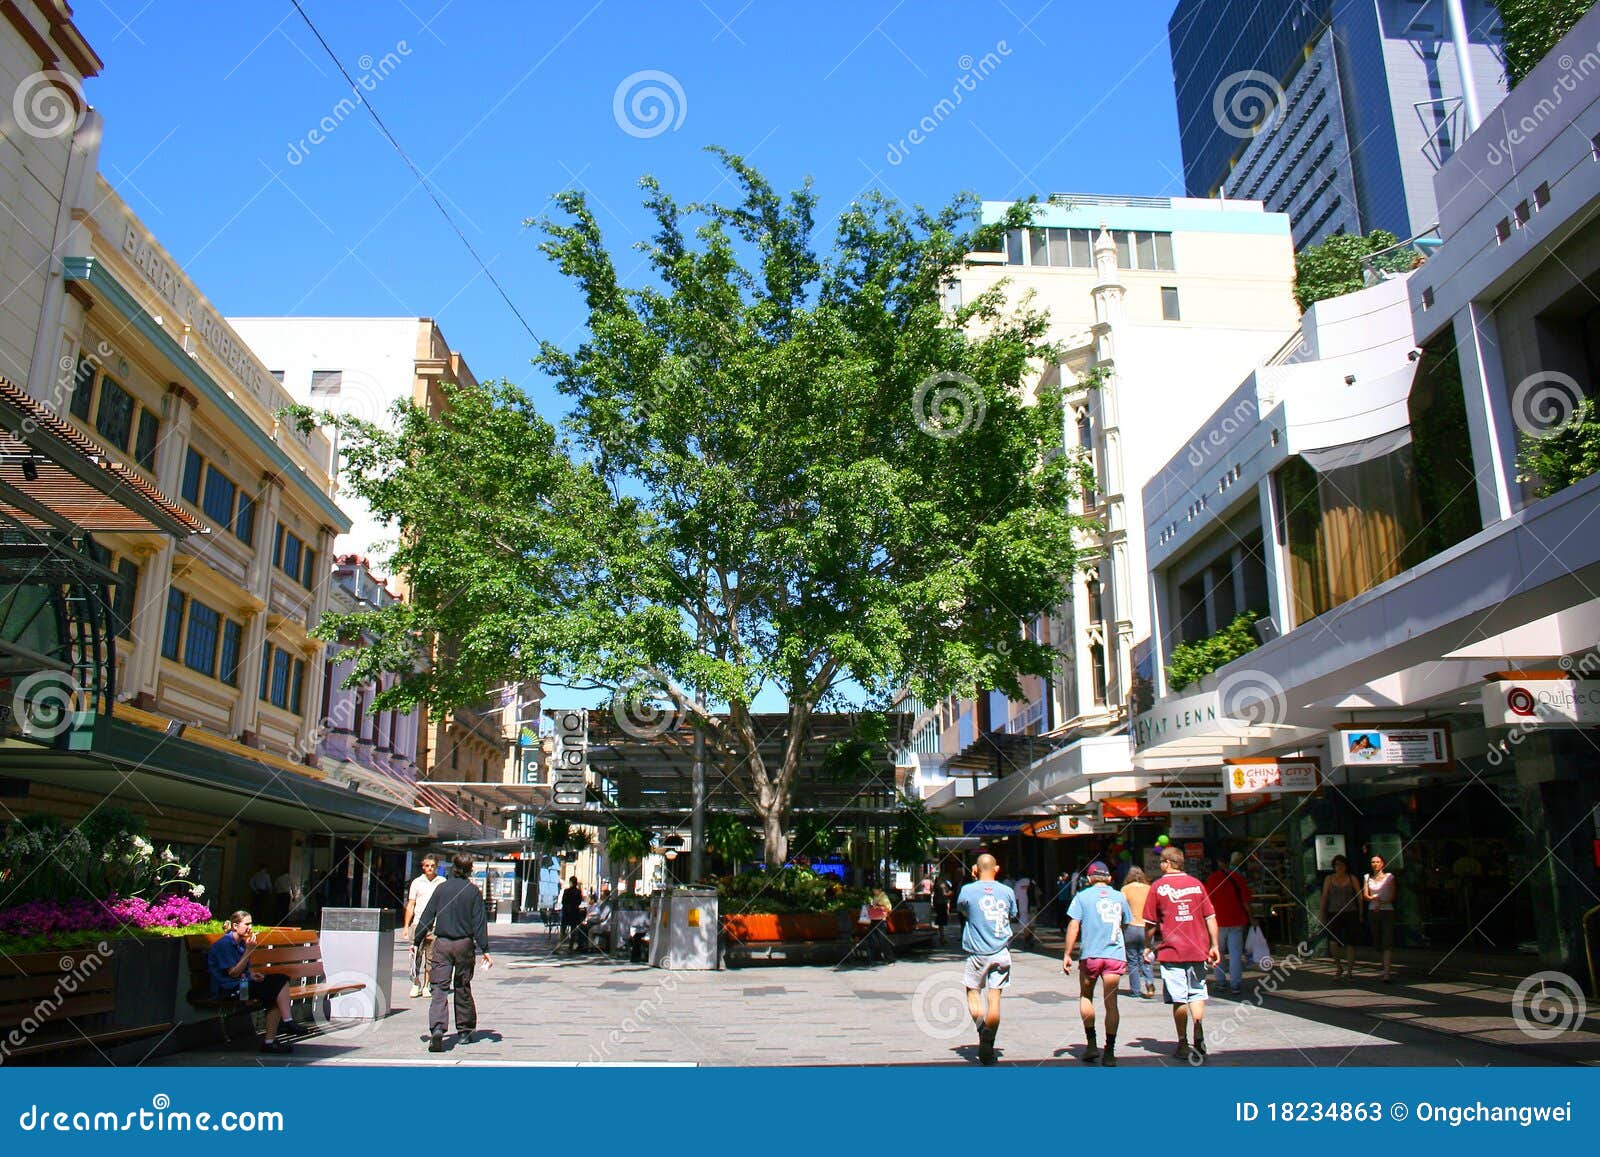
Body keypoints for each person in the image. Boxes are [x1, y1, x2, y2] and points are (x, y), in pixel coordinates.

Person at [1143, 846, 1220, 1062]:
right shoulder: (1197, 885)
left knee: (1179, 999)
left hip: (1172, 952)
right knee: (1197, 993)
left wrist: (1147, 945)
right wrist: (1214, 945)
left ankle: (1183, 1041)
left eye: (1161, 862)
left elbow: (1150, 923)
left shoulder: (1158, 887)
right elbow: (1210, 917)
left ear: (1167, 863)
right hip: (1198, 950)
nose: (1160, 866)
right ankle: (1198, 1028)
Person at [411, 852, 493, 1051]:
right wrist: (485, 949)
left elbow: (427, 915)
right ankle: (464, 1031)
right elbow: (479, 923)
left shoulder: (441, 888)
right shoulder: (473, 891)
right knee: (462, 986)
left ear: (453, 868)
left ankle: (438, 1028)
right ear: (469, 870)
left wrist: (417, 940)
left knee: (439, 988)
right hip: (464, 944)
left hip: (443, 943)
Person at [1062, 861, 1132, 1066]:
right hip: (1114, 955)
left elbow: (1073, 926)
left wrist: (1067, 953)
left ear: (1090, 879)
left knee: (1086, 996)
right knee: (1112, 1004)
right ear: (1109, 878)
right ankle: (1109, 1051)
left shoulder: (1082, 897)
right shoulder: (1119, 896)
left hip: (1090, 955)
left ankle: (1091, 1044)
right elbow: (1126, 922)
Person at [207, 910, 305, 1054]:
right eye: (246, 924)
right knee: (277, 986)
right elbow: (233, 973)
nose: (250, 927)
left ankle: (272, 1040)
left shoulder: (240, 944)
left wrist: (253, 975)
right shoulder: (224, 945)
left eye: (251, 924)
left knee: (279, 982)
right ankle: (286, 1023)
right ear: (235, 926)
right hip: (229, 991)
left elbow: (243, 971)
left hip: (243, 985)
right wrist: (249, 951)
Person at [956, 854, 1017, 1066]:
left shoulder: (967, 891)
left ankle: (983, 1031)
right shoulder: (1008, 891)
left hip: (977, 953)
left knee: (972, 991)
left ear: (975, 869)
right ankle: (989, 1042)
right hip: (1002, 951)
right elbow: (1012, 914)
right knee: (995, 998)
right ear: (997, 869)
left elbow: (963, 910)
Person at [1205, 850, 1253, 995]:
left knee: (1218, 952)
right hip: (1236, 921)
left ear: (1219, 863)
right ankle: (1235, 983)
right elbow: (1245, 900)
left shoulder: (1212, 879)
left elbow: (1206, 902)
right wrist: (1251, 917)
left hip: (1218, 922)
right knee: (1236, 953)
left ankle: (1220, 982)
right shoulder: (1238, 878)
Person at [404, 854, 444, 998]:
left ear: (436, 867)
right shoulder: (416, 882)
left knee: (431, 958)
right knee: (415, 956)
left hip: (435, 925)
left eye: (433, 866)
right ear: (423, 867)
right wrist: (406, 926)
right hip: (418, 924)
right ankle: (415, 983)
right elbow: (411, 904)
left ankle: (427, 985)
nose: (430, 868)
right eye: (427, 866)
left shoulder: (442, 882)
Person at [1319, 854, 1362, 979]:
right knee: (1333, 942)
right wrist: (1322, 913)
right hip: (1334, 912)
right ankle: (1338, 967)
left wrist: (1360, 913)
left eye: (1342, 865)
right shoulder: (1329, 879)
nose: (1339, 867)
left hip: (1350, 912)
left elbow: (1359, 896)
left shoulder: (1351, 878)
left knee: (1351, 942)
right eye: (1337, 865)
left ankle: (1349, 971)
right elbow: (1324, 896)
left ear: (1346, 866)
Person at [1363, 853, 1398, 982]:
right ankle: (1383, 963)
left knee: (1387, 940)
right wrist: (1374, 899)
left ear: (1382, 863)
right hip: (1373, 910)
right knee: (1377, 938)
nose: (1375, 864)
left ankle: (1387, 972)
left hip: (1387, 910)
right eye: (1373, 862)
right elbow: (1365, 895)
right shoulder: (1367, 878)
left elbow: (1392, 896)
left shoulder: (1389, 877)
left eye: (1378, 862)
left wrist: (1381, 903)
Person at [1120, 867, 1154, 998]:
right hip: (1146, 928)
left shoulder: (1125, 889)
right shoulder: (1149, 889)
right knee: (1146, 958)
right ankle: (1150, 984)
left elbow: (1121, 909)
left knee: (1132, 960)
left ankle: (1135, 990)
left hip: (1131, 928)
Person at [559, 875, 584, 952]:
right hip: (574, 913)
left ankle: (560, 945)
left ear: (570, 882)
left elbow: (563, 902)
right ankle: (571, 946)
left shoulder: (566, 891)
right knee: (573, 930)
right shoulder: (578, 891)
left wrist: (567, 907)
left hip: (566, 913)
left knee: (563, 929)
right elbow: (579, 902)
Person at [1014, 875, 1033, 945]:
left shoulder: (1018, 883)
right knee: (1032, 922)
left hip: (1023, 905)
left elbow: (1016, 897)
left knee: (1025, 923)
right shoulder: (1032, 881)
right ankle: (1031, 937)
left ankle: (1027, 939)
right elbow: (1039, 892)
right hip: (1033, 904)